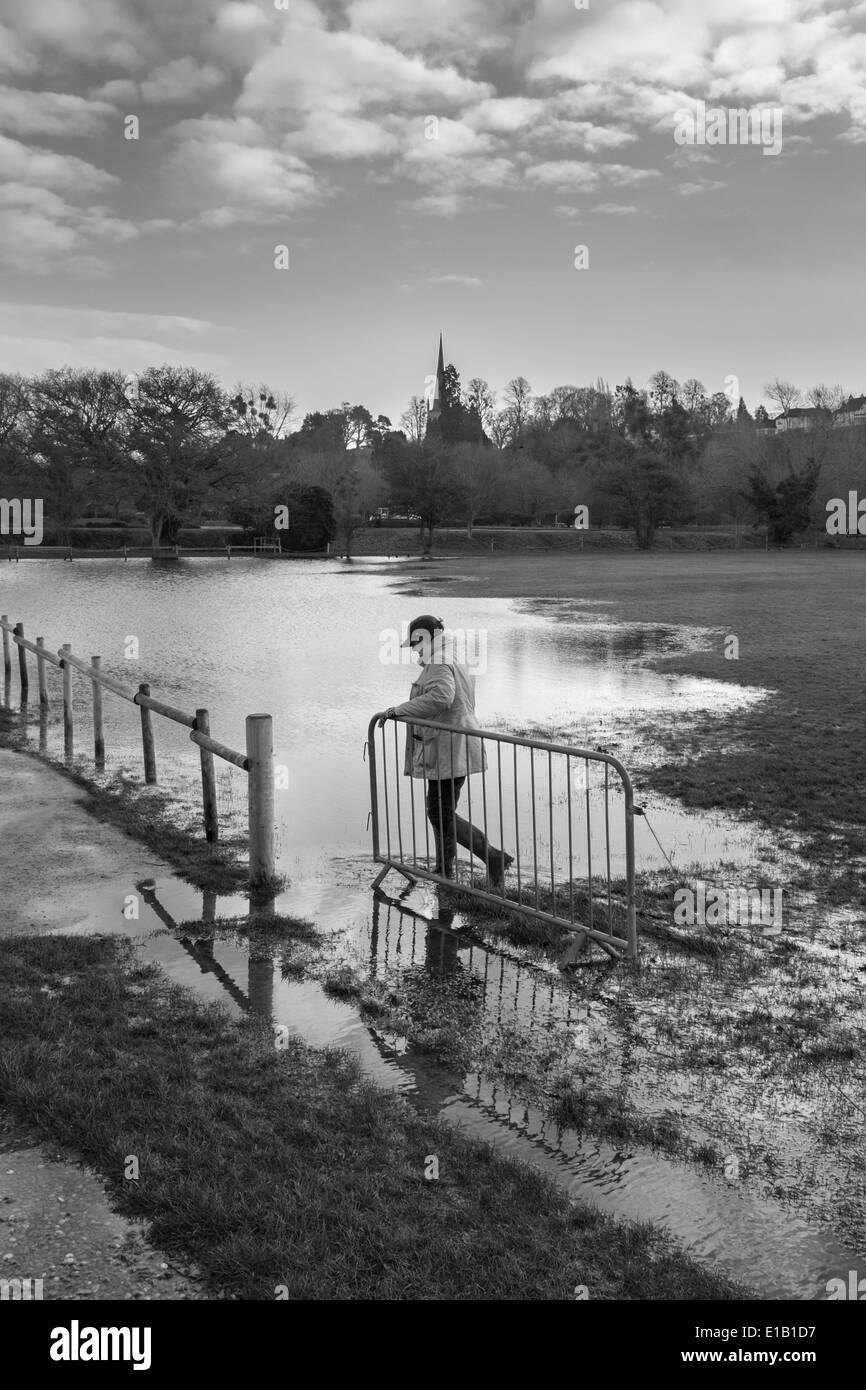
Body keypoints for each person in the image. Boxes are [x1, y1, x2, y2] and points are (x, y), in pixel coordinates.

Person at [376, 614, 513, 887]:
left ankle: (492, 857)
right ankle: (444, 870)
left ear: (427, 638)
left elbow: (442, 696)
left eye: (416, 644)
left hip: (450, 746)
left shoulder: (439, 661)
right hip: (451, 744)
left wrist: (397, 710)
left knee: (440, 812)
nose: (414, 650)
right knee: (441, 810)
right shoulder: (449, 656)